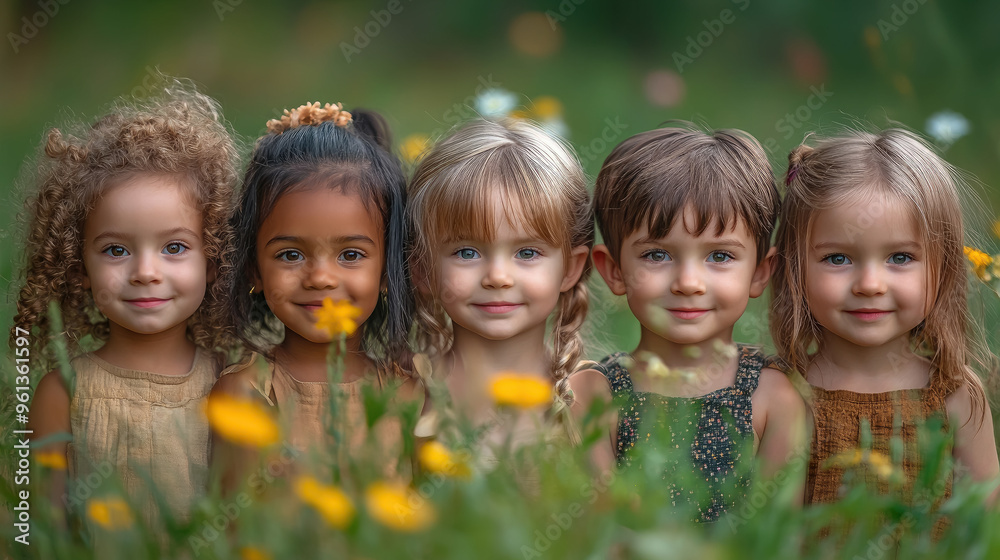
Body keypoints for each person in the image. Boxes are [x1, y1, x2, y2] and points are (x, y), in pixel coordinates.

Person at [15, 79, 239, 524]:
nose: (145, 271)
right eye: (116, 250)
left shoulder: (228, 383)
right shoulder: (62, 392)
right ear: (78, 266)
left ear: (213, 258)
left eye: (174, 247)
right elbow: (36, 529)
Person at [582, 124, 806, 522]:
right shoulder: (593, 394)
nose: (688, 283)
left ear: (760, 272)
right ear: (613, 270)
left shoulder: (773, 398)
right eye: (656, 255)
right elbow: (601, 534)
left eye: (719, 256)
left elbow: (774, 538)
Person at [770, 128, 999, 508]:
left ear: (943, 267)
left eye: (900, 258)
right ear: (793, 269)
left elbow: (984, 523)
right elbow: (773, 534)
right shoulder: (786, 393)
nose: (870, 285)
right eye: (838, 258)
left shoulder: (956, 395)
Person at [211, 102, 418, 485]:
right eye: (291, 254)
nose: (320, 278)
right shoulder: (247, 393)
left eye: (351, 254)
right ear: (254, 267)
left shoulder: (406, 395)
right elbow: (236, 529)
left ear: (389, 268)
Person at [406, 118, 592, 460]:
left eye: (527, 253)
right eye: (467, 252)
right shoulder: (400, 395)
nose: (497, 277)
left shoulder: (594, 399)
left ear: (570, 268)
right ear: (422, 268)